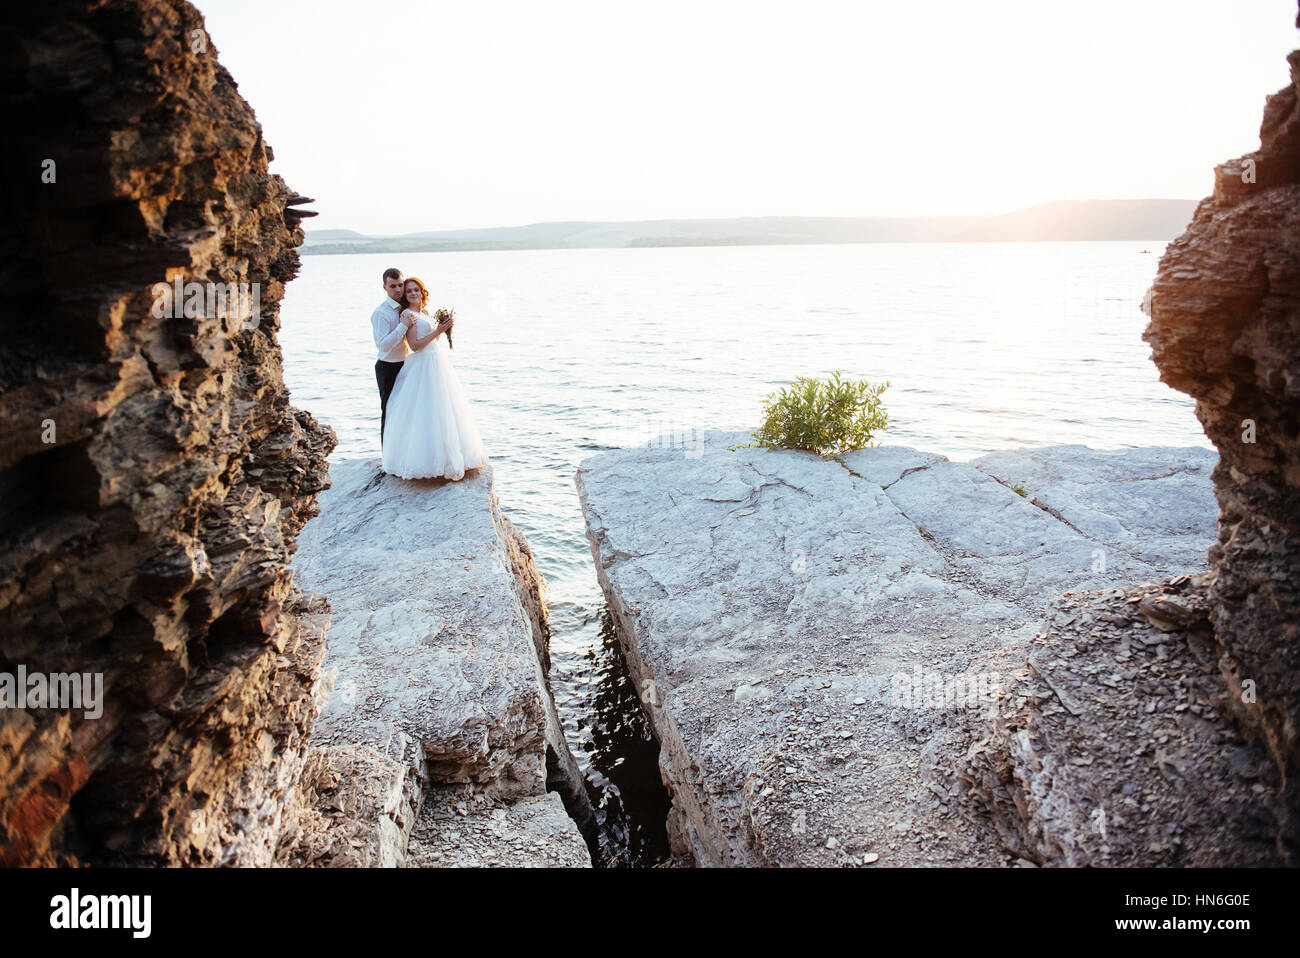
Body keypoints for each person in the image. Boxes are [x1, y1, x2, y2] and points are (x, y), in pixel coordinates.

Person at [380, 276, 488, 480]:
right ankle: (426, 461)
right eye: (409, 291)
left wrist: (443, 330)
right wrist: (438, 330)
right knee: (425, 413)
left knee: (444, 410)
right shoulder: (408, 315)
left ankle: (450, 455)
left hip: (437, 362)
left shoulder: (426, 313)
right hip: (422, 365)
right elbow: (415, 345)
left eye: (416, 290)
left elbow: (432, 340)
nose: (413, 293)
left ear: (422, 293)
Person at [371, 267, 412, 445]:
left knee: (407, 411)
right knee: (389, 411)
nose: (398, 289)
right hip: (388, 367)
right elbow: (383, 345)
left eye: (400, 285)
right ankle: (387, 455)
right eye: (393, 286)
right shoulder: (381, 313)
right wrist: (402, 326)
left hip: (407, 365)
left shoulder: (408, 307)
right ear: (385, 287)